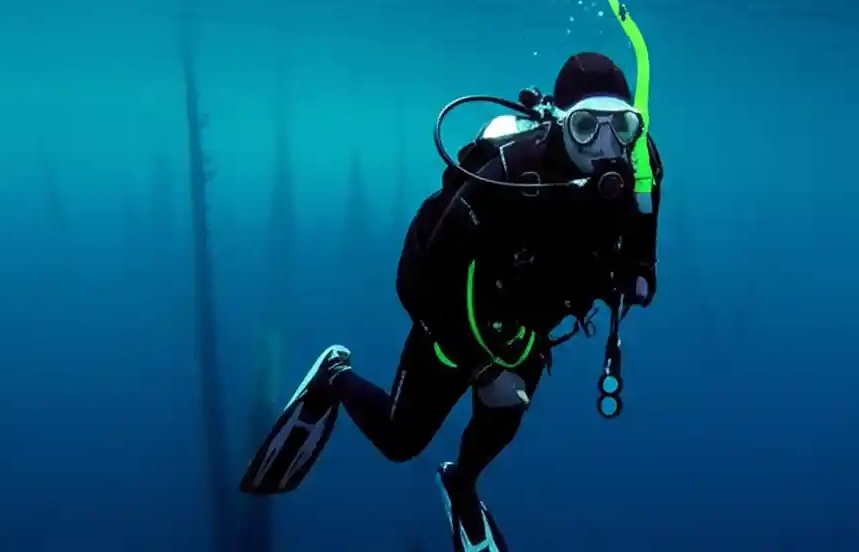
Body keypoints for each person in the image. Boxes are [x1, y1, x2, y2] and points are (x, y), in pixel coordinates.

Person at [241, 51, 663, 552]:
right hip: (452, 319)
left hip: (527, 326)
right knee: (400, 441)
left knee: (496, 428)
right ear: (557, 124)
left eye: (623, 126)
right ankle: (334, 377)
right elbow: (424, 280)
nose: (606, 145)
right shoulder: (508, 173)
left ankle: (461, 483)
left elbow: (640, 248)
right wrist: (485, 370)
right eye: (586, 126)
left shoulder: (641, 170)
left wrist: (637, 275)